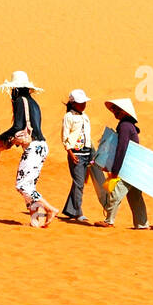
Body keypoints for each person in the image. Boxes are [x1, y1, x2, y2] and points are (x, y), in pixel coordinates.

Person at [0, 71, 58, 227]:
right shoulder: (32, 102)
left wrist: (1, 138)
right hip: (40, 146)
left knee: (22, 185)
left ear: (15, 88)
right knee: (29, 186)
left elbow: (18, 126)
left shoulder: (20, 101)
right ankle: (36, 220)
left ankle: (50, 209)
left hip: (34, 147)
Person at [97, 97, 148, 229]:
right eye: (114, 109)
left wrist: (115, 170)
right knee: (135, 197)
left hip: (128, 167)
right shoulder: (129, 126)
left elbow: (122, 149)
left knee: (115, 193)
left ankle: (109, 221)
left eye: (118, 109)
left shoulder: (124, 126)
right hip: (135, 167)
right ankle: (142, 224)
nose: (115, 112)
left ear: (126, 112)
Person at [60, 89, 93, 223]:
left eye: (84, 102)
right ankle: (78, 213)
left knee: (78, 183)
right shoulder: (69, 116)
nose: (83, 105)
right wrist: (70, 153)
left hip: (86, 152)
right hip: (76, 154)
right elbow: (64, 136)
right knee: (79, 183)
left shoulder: (85, 116)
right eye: (80, 103)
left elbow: (87, 135)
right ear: (73, 104)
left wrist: (91, 153)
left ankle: (70, 210)